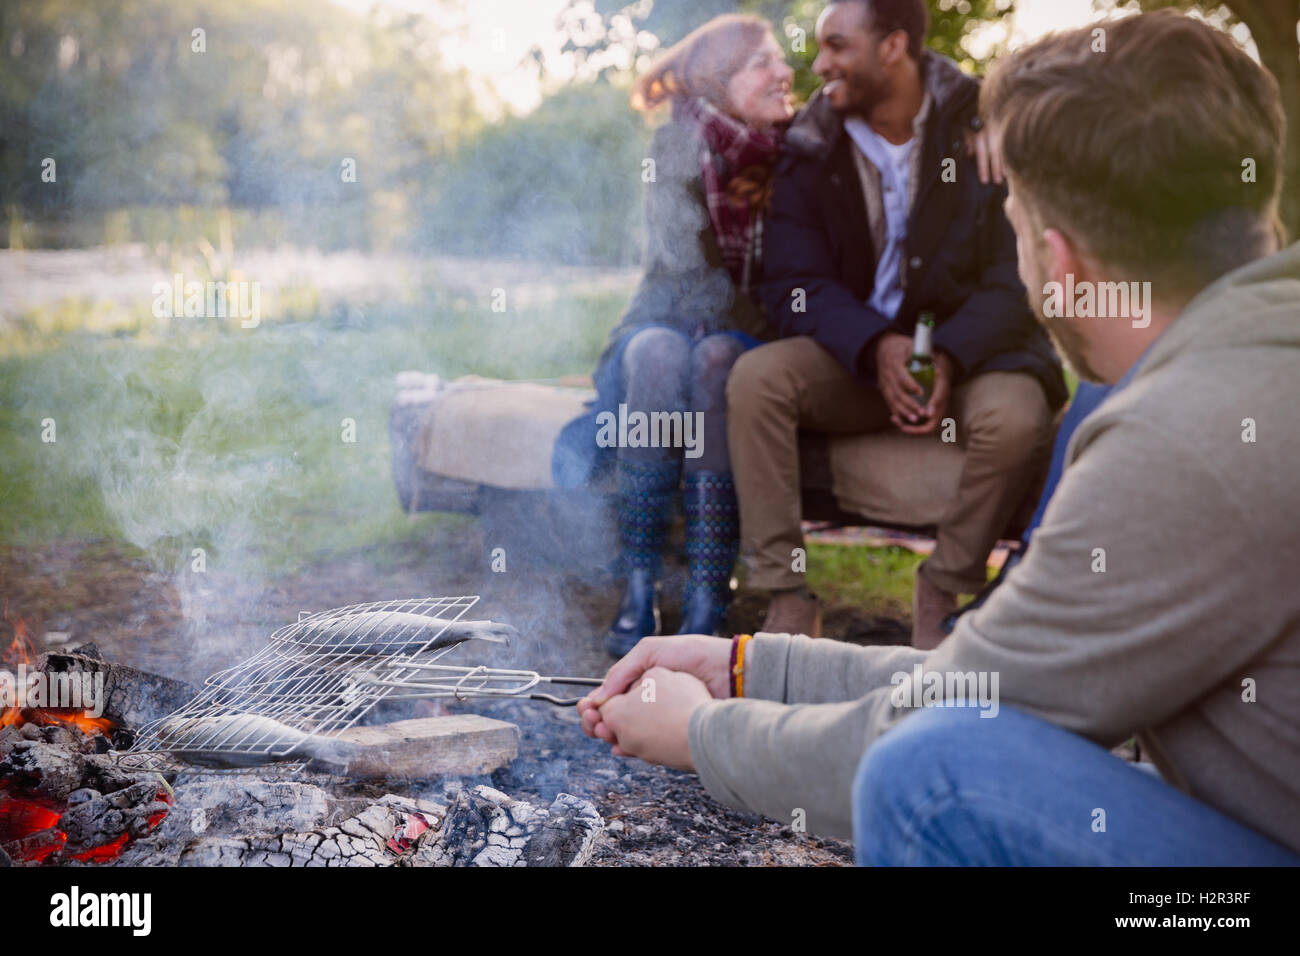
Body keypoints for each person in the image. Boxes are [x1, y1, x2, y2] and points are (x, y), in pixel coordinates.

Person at [579, 9, 1300, 865]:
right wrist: (749, 668)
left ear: (1056, 259)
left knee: (926, 775)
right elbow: (1004, 681)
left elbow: (954, 720)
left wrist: (704, 733)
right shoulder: (1251, 370)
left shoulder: (1180, 444)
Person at [725, 0, 1067, 648]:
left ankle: (943, 583)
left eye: (837, 46)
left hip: (974, 355)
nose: (819, 63)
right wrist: (873, 343)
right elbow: (792, 283)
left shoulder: (986, 127)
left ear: (893, 48)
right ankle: (787, 595)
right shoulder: (809, 145)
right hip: (853, 359)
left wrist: (949, 355)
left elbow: (1016, 278)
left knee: (1019, 417)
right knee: (756, 379)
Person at [553, 15, 796, 657]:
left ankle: (708, 597)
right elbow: (681, 276)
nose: (784, 73)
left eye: (780, 59)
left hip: (745, 340)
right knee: (662, 355)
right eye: (762, 64)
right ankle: (640, 585)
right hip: (657, 326)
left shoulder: (802, 148)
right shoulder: (674, 146)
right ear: (721, 80)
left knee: (715, 359)